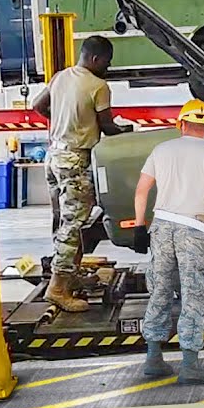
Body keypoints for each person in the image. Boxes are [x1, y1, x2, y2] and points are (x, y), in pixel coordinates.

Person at [131, 99, 204, 384]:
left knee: (160, 290)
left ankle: (154, 358)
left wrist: (140, 227)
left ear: (180, 124)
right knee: (192, 295)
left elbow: (142, 191)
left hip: (162, 227)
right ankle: (190, 365)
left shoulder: (161, 150)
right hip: (194, 230)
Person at [31, 35, 132, 312]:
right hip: (76, 160)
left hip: (54, 156)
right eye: (107, 63)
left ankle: (69, 274)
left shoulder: (61, 77)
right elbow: (108, 126)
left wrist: (64, 119)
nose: (108, 68)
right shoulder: (99, 86)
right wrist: (126, 131)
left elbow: (37, 106)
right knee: (73, 226)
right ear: (95, 59)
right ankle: (58, 289)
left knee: (62, 222)